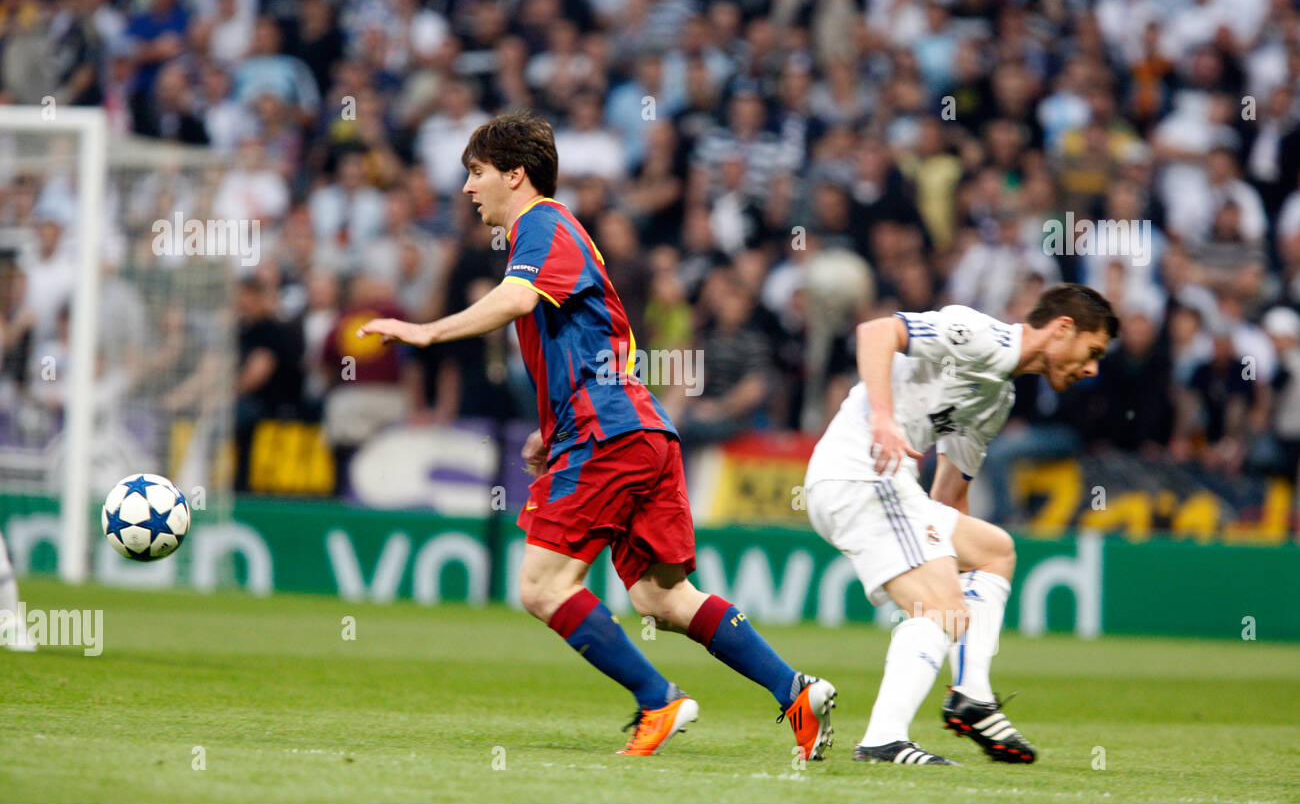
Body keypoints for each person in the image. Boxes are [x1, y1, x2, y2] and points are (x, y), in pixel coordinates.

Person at [357, 112, 835, 758]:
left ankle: (659, 700)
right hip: (638, 429)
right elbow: (603, 341)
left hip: (607, 434)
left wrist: (428, 331)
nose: (468, 190)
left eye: (477, 174)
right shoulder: (564, 235)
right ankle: (796, 691)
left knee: (542, 586)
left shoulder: (543, 225)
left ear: (515, 175)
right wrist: (549, 431)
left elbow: (517, 301)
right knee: (661, 597)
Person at [805, 283, 1118, 764]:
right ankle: (882, 740)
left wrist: (953, 560)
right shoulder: (978, 334)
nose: (1093, 368)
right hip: (861, 471)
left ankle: (972, 694)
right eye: (1092, 351)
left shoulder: (998, 398)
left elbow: (949, 495)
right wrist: (883, 420)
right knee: (939, 608)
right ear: (1063, 329)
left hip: (886, 485)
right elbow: (875, 332)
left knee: (993, 550)